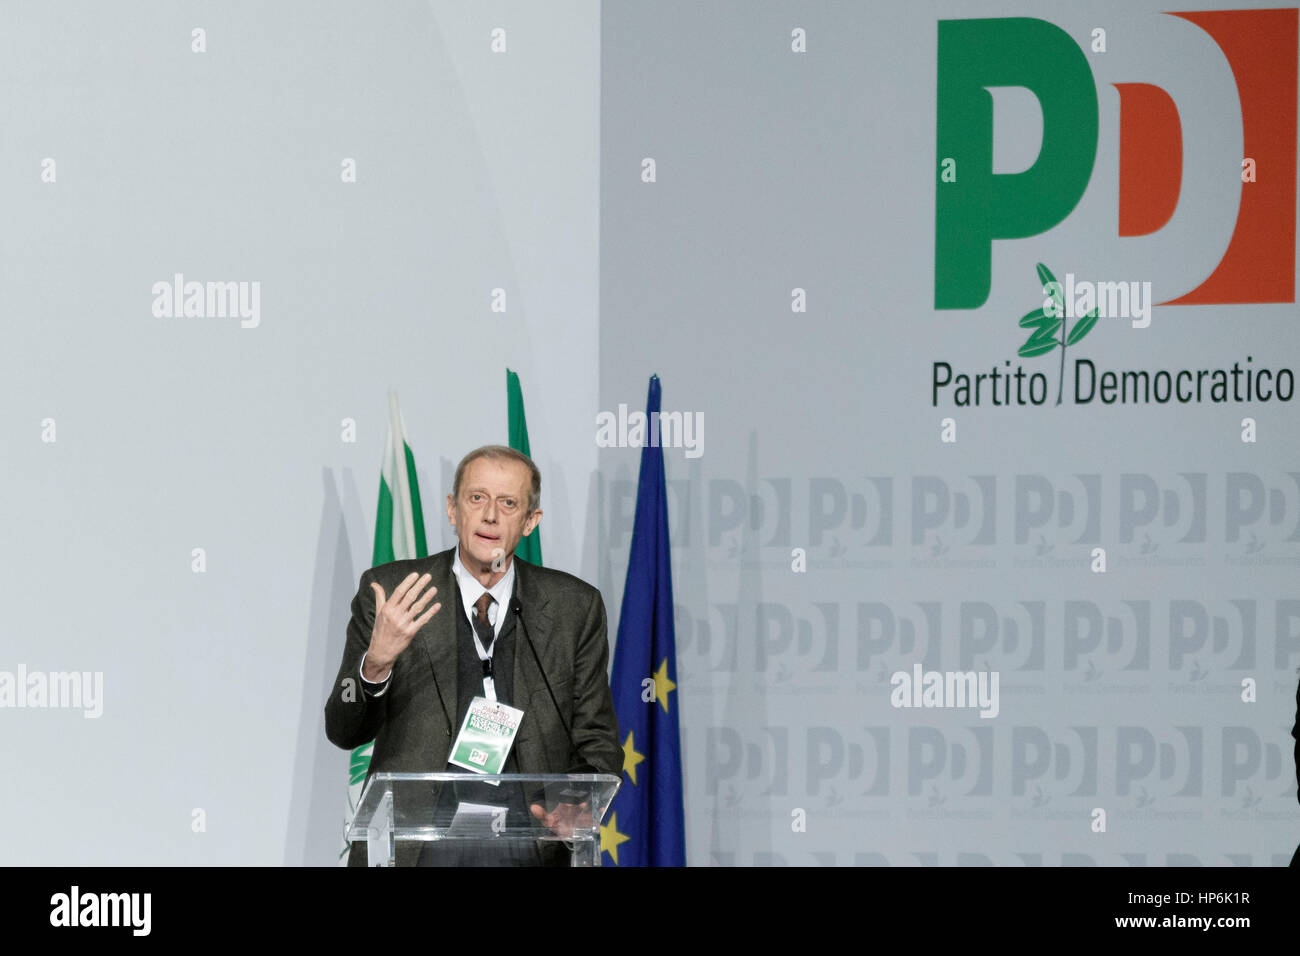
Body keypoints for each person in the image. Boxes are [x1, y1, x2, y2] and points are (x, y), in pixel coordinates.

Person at [324, 445, 621, 866]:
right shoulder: (393, 591)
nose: (490, 516)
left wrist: (575, 804)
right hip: (416, 846)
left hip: (529, 842)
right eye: (476, 498)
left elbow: (597, 739)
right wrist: (375, 665)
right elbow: (342, 729)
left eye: (508, 503)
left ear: (531, 521)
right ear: (452, 509)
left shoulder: (574, 606)